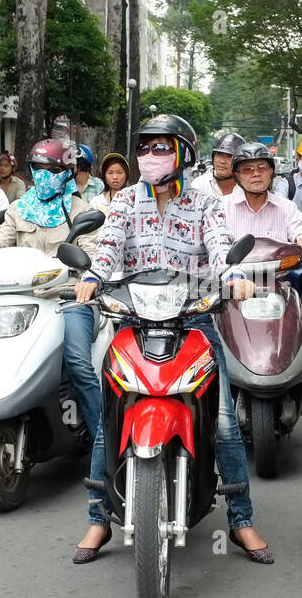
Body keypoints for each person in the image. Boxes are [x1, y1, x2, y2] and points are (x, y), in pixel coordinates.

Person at [74, 114, 272, 565]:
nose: (150, 156)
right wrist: (92, 276)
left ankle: (241, 520)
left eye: (162, 148)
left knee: (222, 421)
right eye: (145, 148)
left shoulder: (203, 204)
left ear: (185, 154)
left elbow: (222, 248)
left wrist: (235, 276)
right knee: (110, 415)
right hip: (133, 320)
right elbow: (108, 247)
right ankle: (98, 517)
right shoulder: (124, 202)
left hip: (192, 319)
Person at [0, 138, 102, 486]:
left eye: (52, 170)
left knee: (80, 363)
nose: (44, 176)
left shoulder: (82, 213)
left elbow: (92, 258)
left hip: (67, 300)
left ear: (68, 173)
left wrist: (82, 276)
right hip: (18, 303)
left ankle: (105, 446)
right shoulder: (18, 209)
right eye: (38, 169)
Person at [224, 142, 302, 252]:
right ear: (237, 175)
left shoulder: (287, 208)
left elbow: (301, 234)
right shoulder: (222, 208)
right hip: (233, 269)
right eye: (248, 169)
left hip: (280, 269)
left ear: (271, 171)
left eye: (262, 168)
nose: (256, 174)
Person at [190, 132, 244, 197]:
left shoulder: (249, 187)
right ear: (213, 157)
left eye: (229, 156)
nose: (222, 161)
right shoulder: (199, 185)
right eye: (219, 155)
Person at [93, 152, 134, 216]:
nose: (115, 177)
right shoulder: (96, 202)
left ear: (126, 175)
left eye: (119, 173)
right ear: (104, 175)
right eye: (110, 173)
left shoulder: (133, 201)